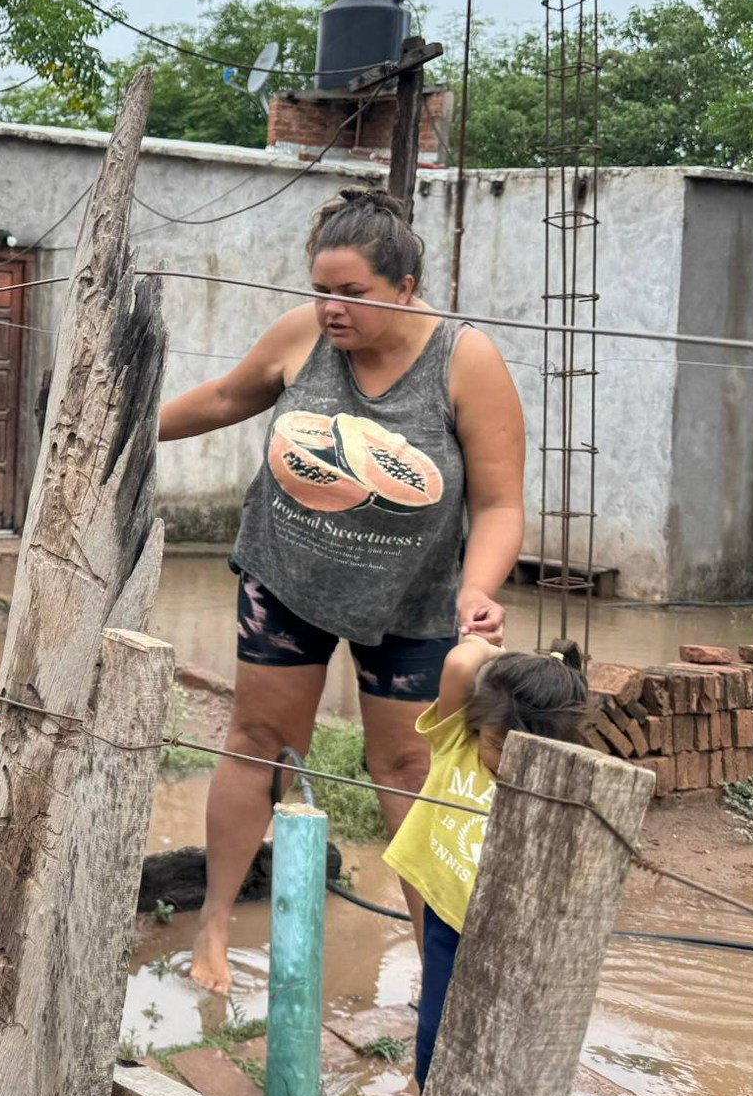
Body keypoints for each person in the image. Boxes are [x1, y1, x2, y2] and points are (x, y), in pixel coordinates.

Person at [159, 187, 526, 994]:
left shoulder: (466, 361)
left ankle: (439, 977)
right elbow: (226, 397)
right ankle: (215, 927)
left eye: (351, 293)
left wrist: (479, 592)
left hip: (413, 601)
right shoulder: (303, 338)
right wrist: (126, 421)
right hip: (287, 578)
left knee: (406, 765)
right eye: (320, 289)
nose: (331, 308)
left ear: (405, 285)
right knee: (258, 742)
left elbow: (498, 504)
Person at [383, 636, 589, 1087]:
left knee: (501, 1033)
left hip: (507, 929)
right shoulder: (456, 740)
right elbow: (461, 659)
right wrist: (515, 663)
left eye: (519, 749)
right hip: (446, 918)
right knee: (435, 1028)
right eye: (495, 743)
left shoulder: (548, 785)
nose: (501, 758)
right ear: (476, 728)